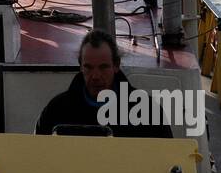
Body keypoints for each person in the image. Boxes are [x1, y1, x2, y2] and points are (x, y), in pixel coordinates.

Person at [35, 29, 171, 138]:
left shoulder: (146, 111)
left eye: (103, 67)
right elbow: (37, 158)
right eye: (88, 67)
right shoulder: (57, 110)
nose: (95, 76)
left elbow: (167, 160)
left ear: (116, 66)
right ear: (80, 66)